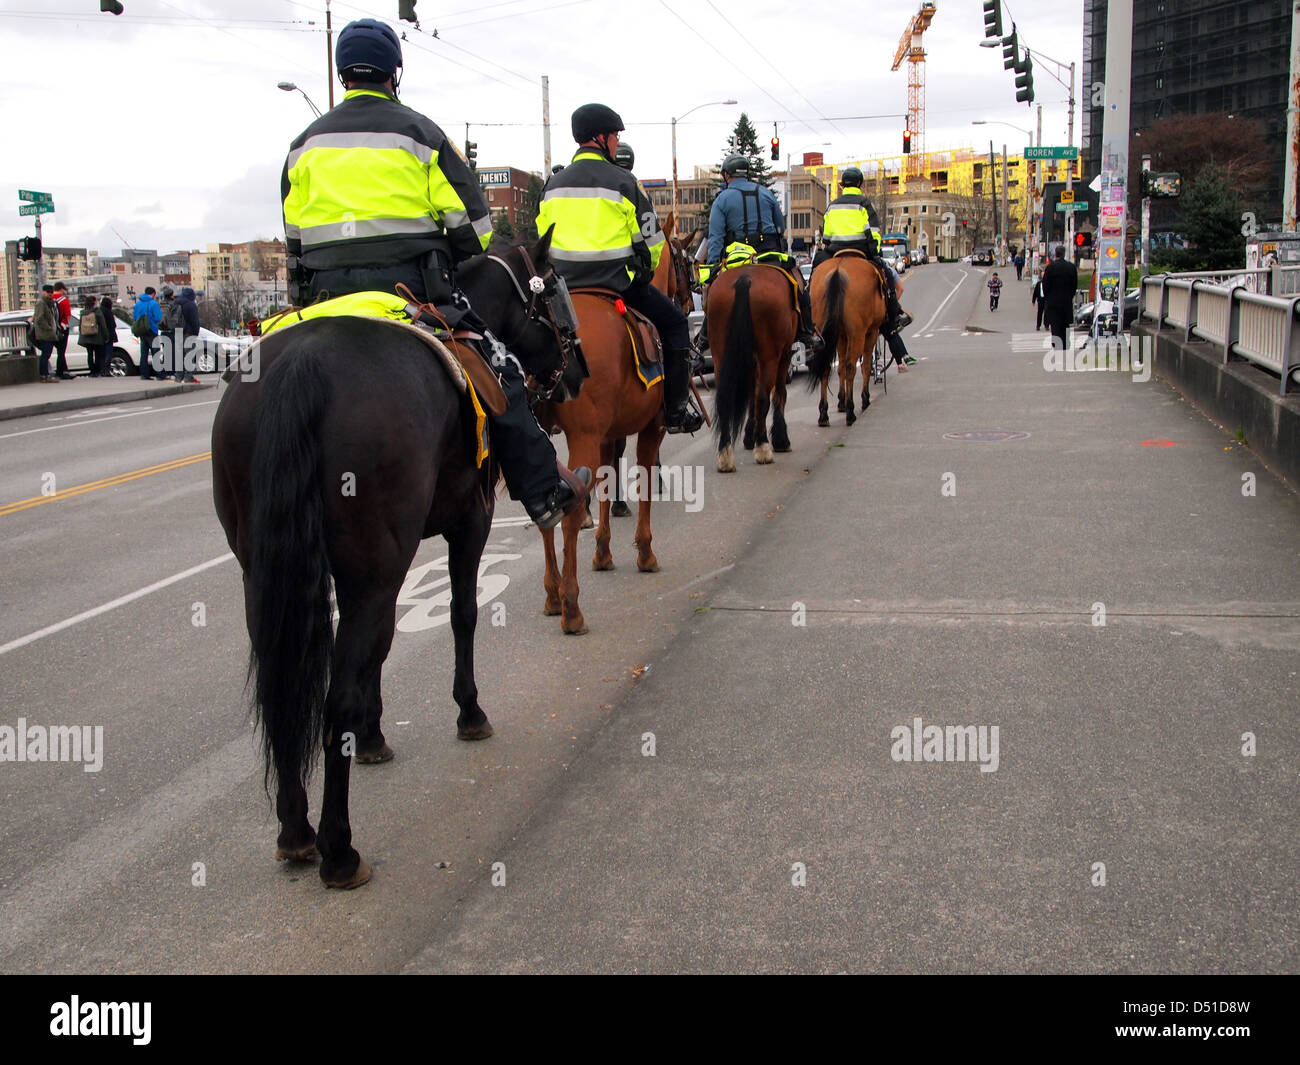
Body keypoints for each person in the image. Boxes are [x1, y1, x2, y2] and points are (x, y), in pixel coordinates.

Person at [282, 18, 589, 528]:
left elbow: (294, 243)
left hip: (325, 301)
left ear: (341, 77)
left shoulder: (302, 145)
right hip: (412, 296)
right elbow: (478, 231)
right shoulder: (422, 134)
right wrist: (440, 250)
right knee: (503, 374)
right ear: (393, 74)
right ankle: (542, 492)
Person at [538, 102, 702, 434]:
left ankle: (536, 408)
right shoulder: (625, 183)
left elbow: (541, 239)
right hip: (615, 287)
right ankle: (675, 410)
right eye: (614, 136)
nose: (616, 142)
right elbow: (655, 244)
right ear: (600, 137)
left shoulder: (551, 186)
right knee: (674, 325)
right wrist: (641, 269)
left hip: (561, 295)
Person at [702, 154, 821, 356]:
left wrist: (713, 267)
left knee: (714, 293)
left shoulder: (722, 200)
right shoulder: (766, 193)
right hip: (769, 252)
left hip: (736, 255)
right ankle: (806, 330)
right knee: (798, 284)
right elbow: (780, 226)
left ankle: (704, 337)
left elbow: (716, 238)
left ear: (725, 175)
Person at [813, 166, 906, 336]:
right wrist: (875, 251)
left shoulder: (832, 206)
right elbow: (875, 232)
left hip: (834, 251)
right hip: (860, 249)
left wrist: (829, 246)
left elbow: (825, 236)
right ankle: (894, 314)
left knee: (815, 274)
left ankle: (810, 318)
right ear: (860, 184)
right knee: (886, 276)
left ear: (842, 185)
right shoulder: (864, 204)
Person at [1040, 245, 1079, 350]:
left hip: (1053, 301)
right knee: (1065, 322)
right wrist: (1070, 295)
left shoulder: (1050, 268)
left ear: (1055, 254)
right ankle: (1065, 342)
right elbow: (1074, 284)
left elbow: (1045, 284)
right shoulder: (1071, 267)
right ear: (1064, 253)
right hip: (1066, 300)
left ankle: (1057, 343)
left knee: (1055, 323)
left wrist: (1048, 297)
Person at [132, 286, 163, 380]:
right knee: (155, 352)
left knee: (144, 353)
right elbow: (158, 317)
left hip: (141, 330)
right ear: (153, 294)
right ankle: (158, 374)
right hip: (152, 330)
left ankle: (144, 374)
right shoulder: (153, 304)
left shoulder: (138, 304)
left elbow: (134, 318)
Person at [32, 284, 60, 383]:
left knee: (47, 354)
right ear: (43, 292)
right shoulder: (41, 303)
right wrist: (48, 329)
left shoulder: (51, 304)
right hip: (45, 334)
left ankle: (45, 375)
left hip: (50, 333)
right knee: (45, 354)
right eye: (48, 292)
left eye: (51, 292)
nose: (50, 294)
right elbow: (39, 319)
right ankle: (44, 375)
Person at [77, 294, 109, 376]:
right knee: (97, 354)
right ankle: (97, 371)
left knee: (90, 354)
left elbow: (80, 325)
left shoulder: (82, 312)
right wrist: (106, 336)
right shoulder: (97, 311)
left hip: (86, 337)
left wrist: (81, 334)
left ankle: (91, 371)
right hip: (96, 336)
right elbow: (103, 324)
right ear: (94, 302)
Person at [177, 286, 201, 381]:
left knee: (179, 355)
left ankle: (178, 376)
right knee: (189, 355)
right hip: (188, 333)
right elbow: (194, 321)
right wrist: (196, 332)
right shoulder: (191, 305)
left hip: (177, 332)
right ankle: (188, 376)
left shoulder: (176, 303)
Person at [159, 285, 181, 380]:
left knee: (166, 352)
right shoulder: (174, 305)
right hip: (172, 331)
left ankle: (165, 371)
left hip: (163, 331)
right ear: (171, 295)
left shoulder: (160, 304)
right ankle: (172, 371)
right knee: (173, 353)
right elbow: (176, 319)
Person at [51, 281, 73, 379]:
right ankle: (61, 371)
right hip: (62, 327)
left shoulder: (49, 299)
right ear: (61, 289)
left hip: (51, 328)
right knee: (61, 351)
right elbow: (68, 316)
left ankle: (64, 370)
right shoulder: (64, 300)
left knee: (56, 350)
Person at [100, 295, 119, 374]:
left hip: (101, 335)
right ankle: (106, 370)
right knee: (108, 353)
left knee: (102, 353)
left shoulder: (99, 310)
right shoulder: (108, 312)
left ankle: (102, 369)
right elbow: (113, 325)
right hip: (109, 335)